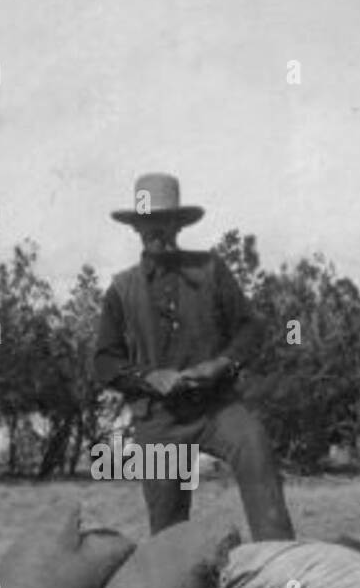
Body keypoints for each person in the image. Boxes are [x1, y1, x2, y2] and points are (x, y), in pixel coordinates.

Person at [94, 173, 296, 541]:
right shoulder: (122, 289)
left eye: (165, 222)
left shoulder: (211, 269)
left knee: (254, 444)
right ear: (136, 228)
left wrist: (221, 364)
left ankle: (279, 562)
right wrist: (147, 379)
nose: (158, 231)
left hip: (216, 408)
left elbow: (250, 328)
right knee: (169, 532)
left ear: (178, 224)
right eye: (149, 223)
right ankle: (178, 584)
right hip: (159, 419)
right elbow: (104, 361)